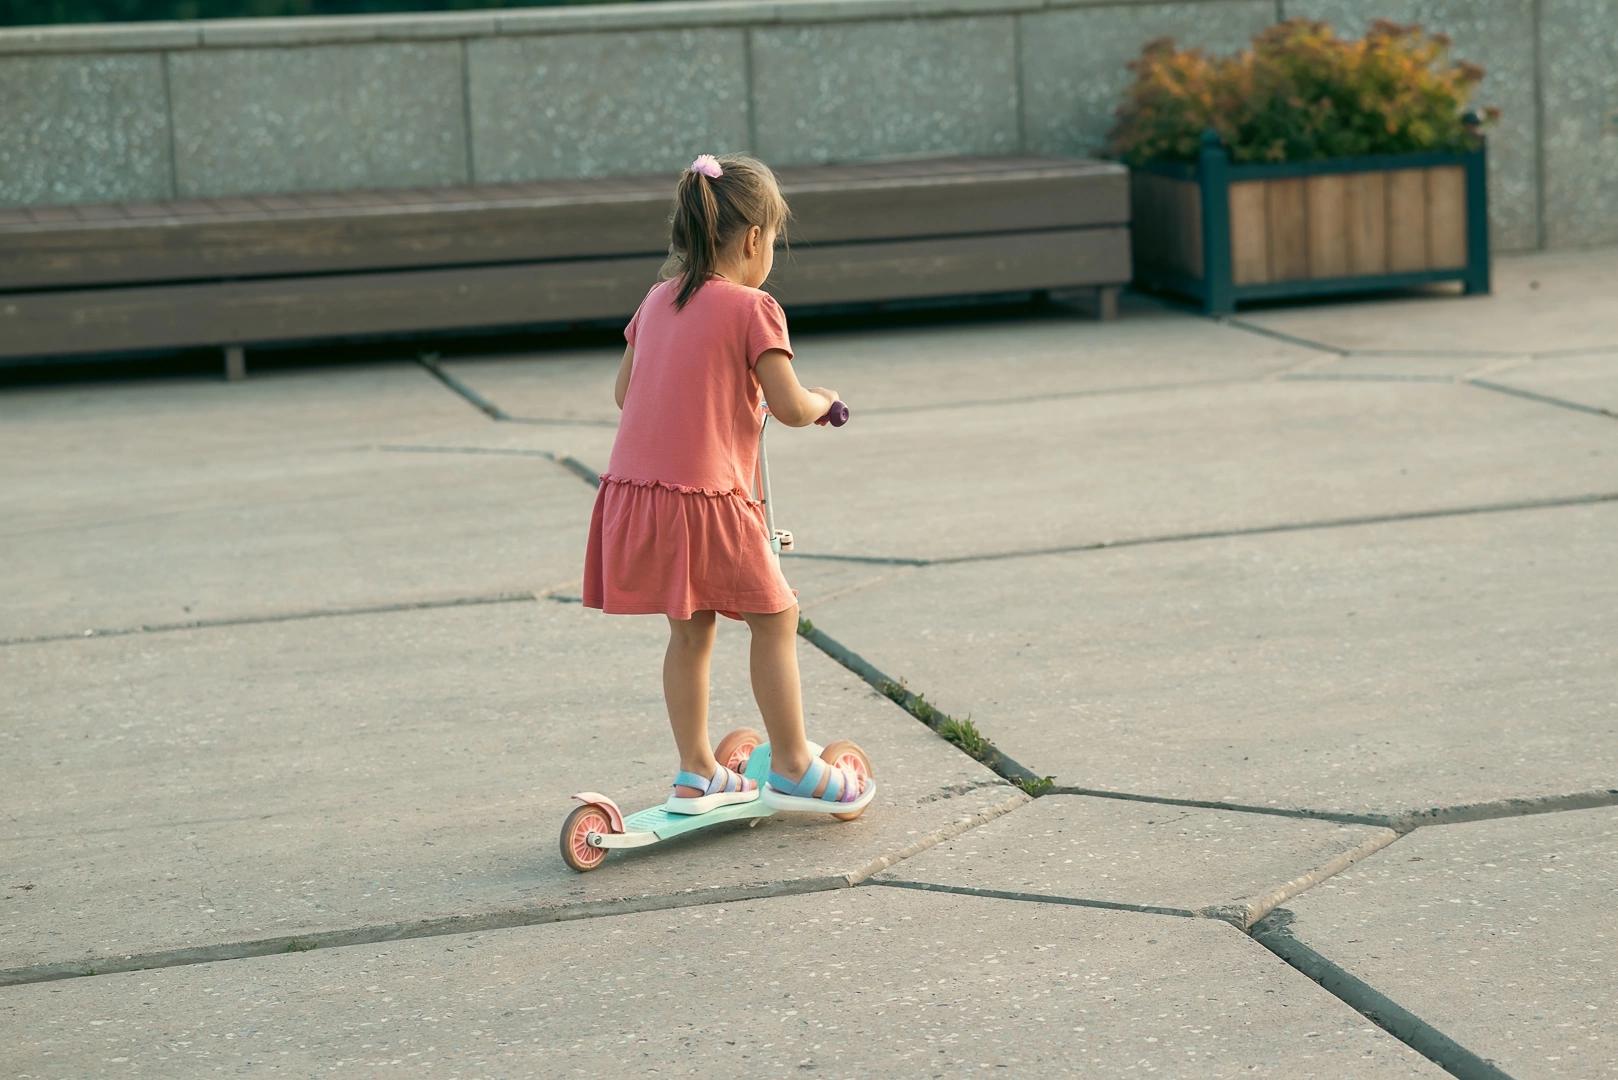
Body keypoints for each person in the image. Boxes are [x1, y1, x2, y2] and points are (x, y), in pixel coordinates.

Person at [582, 153, 875, 818]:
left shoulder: (656, 300)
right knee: (777, 616)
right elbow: (789, 403)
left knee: (691, 633)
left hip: (641, 495)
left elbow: (626, 391)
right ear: (753, 240)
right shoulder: (755, 309)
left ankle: (697, 772)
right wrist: (824, 400)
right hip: (707, 501)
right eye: (774, 239)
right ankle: (797, 764)